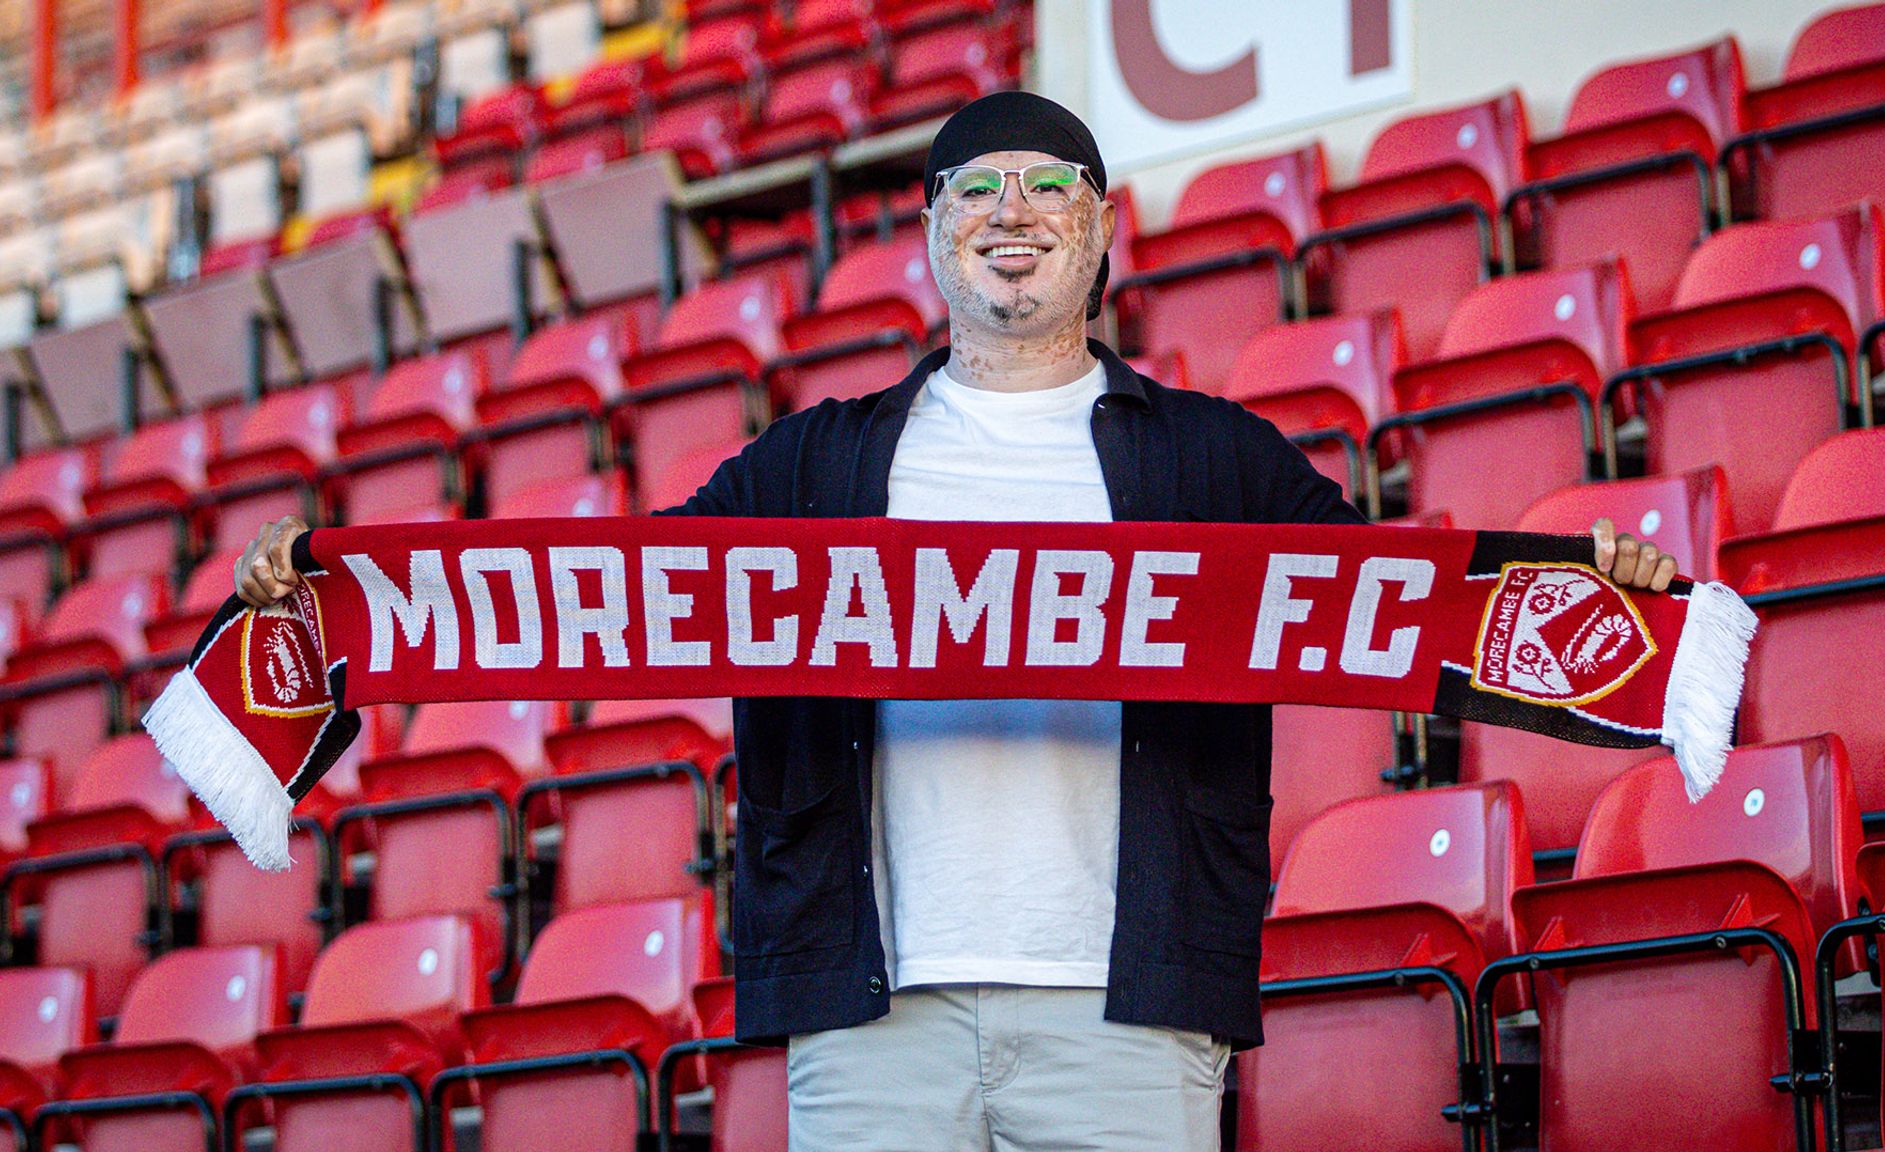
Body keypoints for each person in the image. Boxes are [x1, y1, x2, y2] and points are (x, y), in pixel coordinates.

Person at [233, 91, 1675, 1151]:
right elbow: (595, 609)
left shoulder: (1217, 460)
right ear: (929, 232)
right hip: (873, 1021)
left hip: (1130, 1010)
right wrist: (337, 599)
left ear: (1101, 230)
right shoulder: (807, 466)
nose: (1012, 214)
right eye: (976, 188)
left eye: (1051, 186)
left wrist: (1592, 593)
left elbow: (1390, 612)